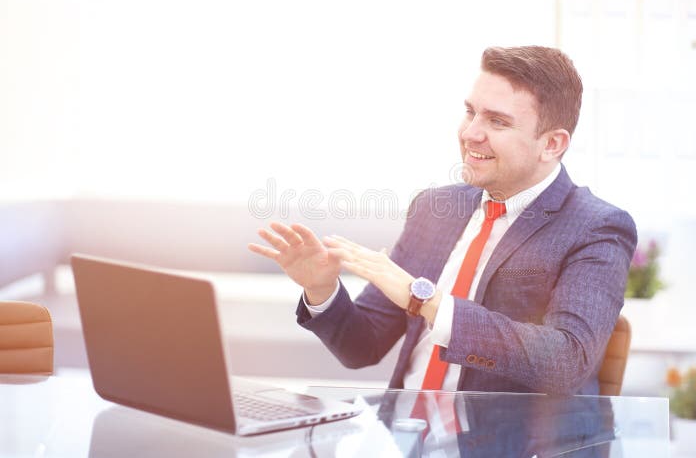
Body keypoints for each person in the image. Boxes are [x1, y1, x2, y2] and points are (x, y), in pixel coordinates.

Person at [248, 45, 636, 395]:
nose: (470, 133)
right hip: (403, 434)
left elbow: (566, 362)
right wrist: (322, 290)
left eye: (497, 122)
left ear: (551, 144)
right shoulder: (434, 208)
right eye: (471, 112)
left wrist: (426, 301)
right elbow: (361, 347)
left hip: (507, 441)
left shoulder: (596, 227)